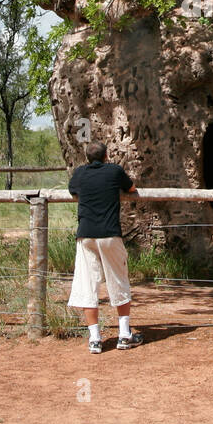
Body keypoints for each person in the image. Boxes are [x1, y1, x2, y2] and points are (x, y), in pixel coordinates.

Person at [66, 141, 142, 353]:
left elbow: (73, 191)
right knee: (118, 279)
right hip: (109, 233)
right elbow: (132, 188)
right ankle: (125, 334)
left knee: (87, 283)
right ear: (107, 155)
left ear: (87, 157)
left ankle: (95, 339)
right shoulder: (115, 170)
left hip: (86, 235)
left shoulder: (80, 173)